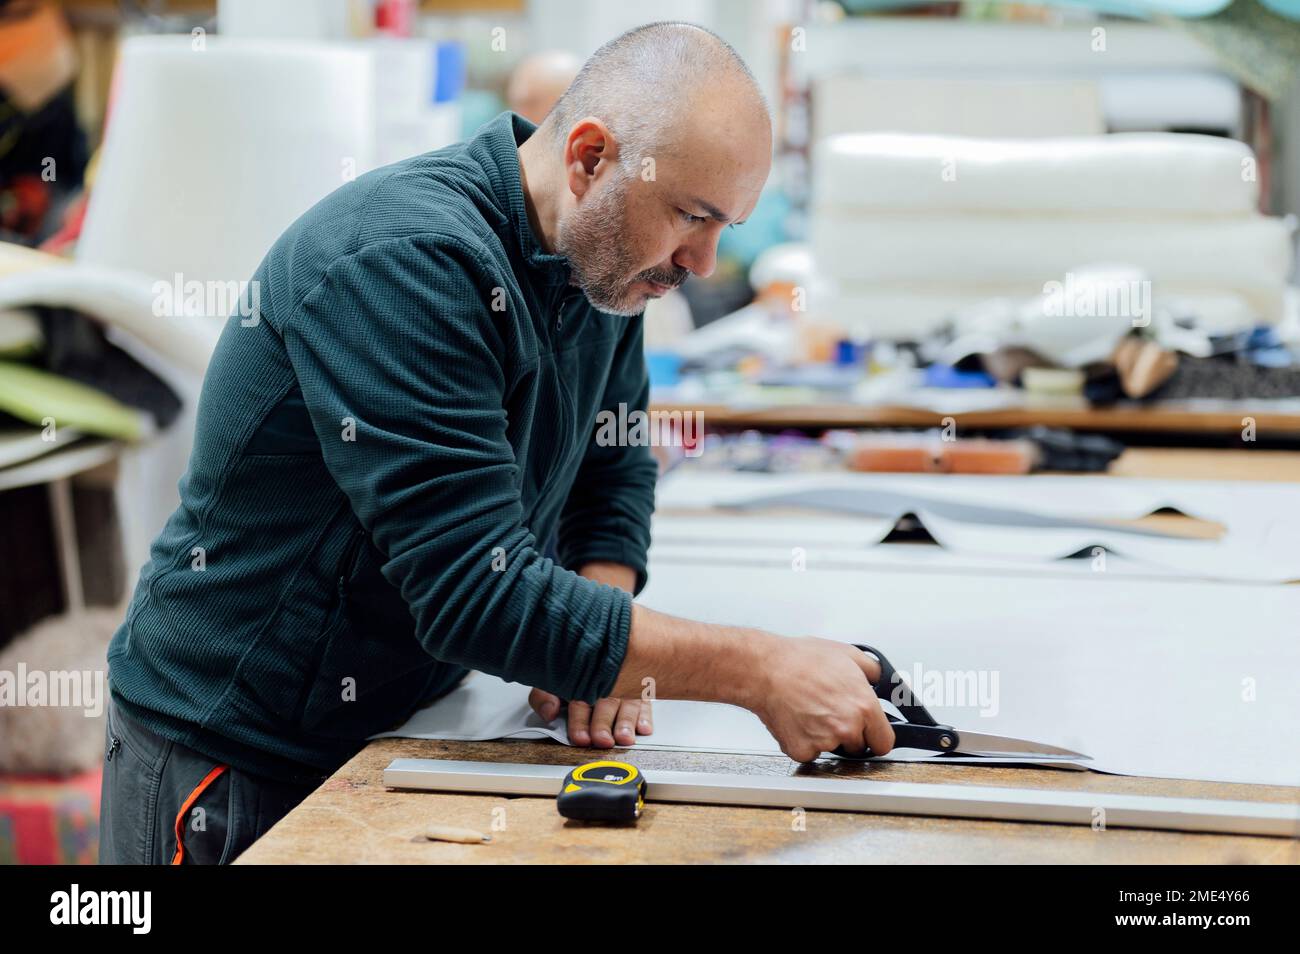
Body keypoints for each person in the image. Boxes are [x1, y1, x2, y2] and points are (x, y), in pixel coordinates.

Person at [99, 20, 892, 865]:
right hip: (235, 752)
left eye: (725, 226)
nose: (703, 261)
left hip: (399, 726)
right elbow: (475, 592)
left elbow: (612, 466)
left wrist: (600, 642)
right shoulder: (405, 264)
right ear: (589, 158)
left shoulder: (609, 265)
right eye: (692, 216)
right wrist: (762, 671)